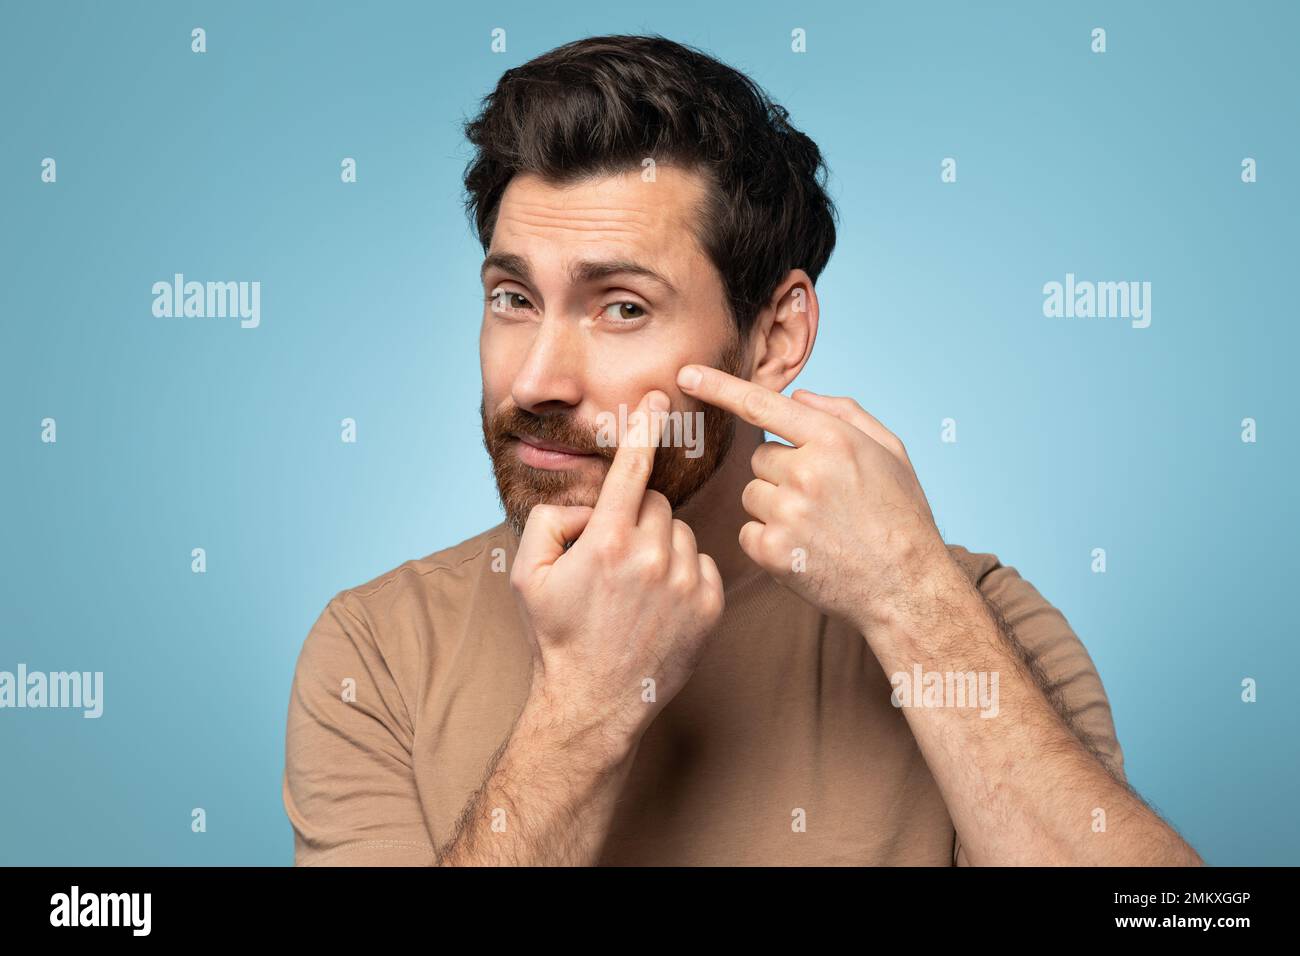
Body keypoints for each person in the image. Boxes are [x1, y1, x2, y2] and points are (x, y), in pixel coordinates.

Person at [283, 34, 1201, 866]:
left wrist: (912, 602)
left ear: (774, 338)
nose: (536, 381)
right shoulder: (378, 652)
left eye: (622, 308)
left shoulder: (977, 622)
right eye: (513, 299)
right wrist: (588, 706)